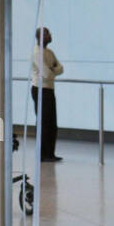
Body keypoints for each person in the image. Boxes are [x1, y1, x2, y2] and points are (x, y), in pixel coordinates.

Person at [32, 27, 64, 162]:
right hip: (40, 89)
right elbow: (46, 73)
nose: (50, 35)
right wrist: (52, 69)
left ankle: (50, 153)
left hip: (49, 89)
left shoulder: (49, 52)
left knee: (52, 123)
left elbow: (60, 69)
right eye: (46, 34)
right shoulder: (37, 53)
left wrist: (53, 70)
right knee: (44, 123)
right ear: (39, 37)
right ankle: (43, 154)